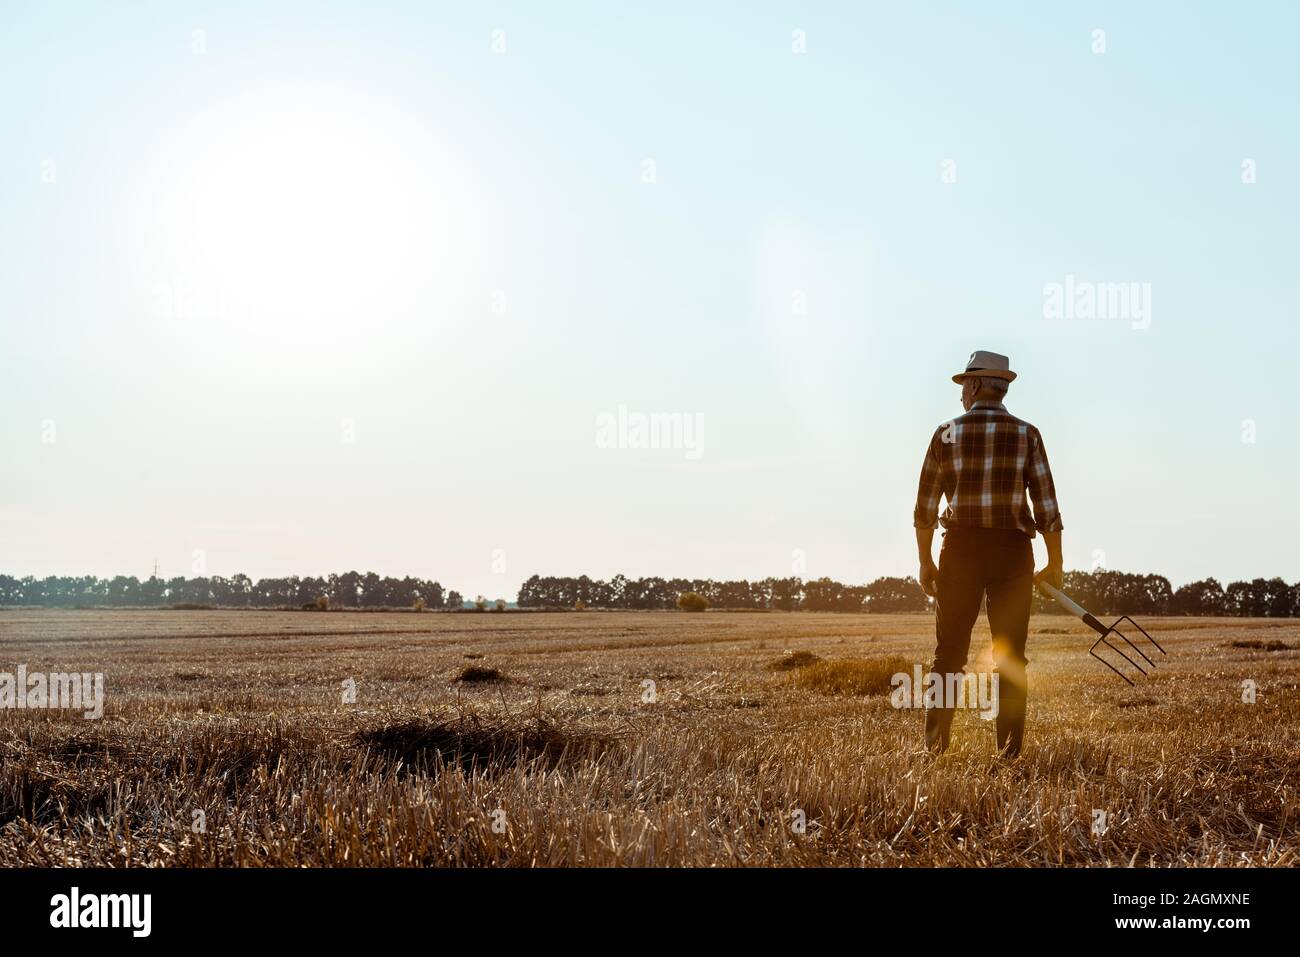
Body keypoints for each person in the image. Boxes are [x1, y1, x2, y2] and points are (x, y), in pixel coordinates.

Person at [912, 350, 1064, 758]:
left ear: (976, 385)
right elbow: (1046, 506)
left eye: (964, 385)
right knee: (1012, 656)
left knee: (948, 654)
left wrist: (925, 560)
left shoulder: (946, 433)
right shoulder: (1028, 434)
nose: (961, 394)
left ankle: (934, 750)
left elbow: (925, 508)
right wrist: (1056, 563)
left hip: (961, 549)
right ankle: (1009, 754)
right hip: (1013, 552)